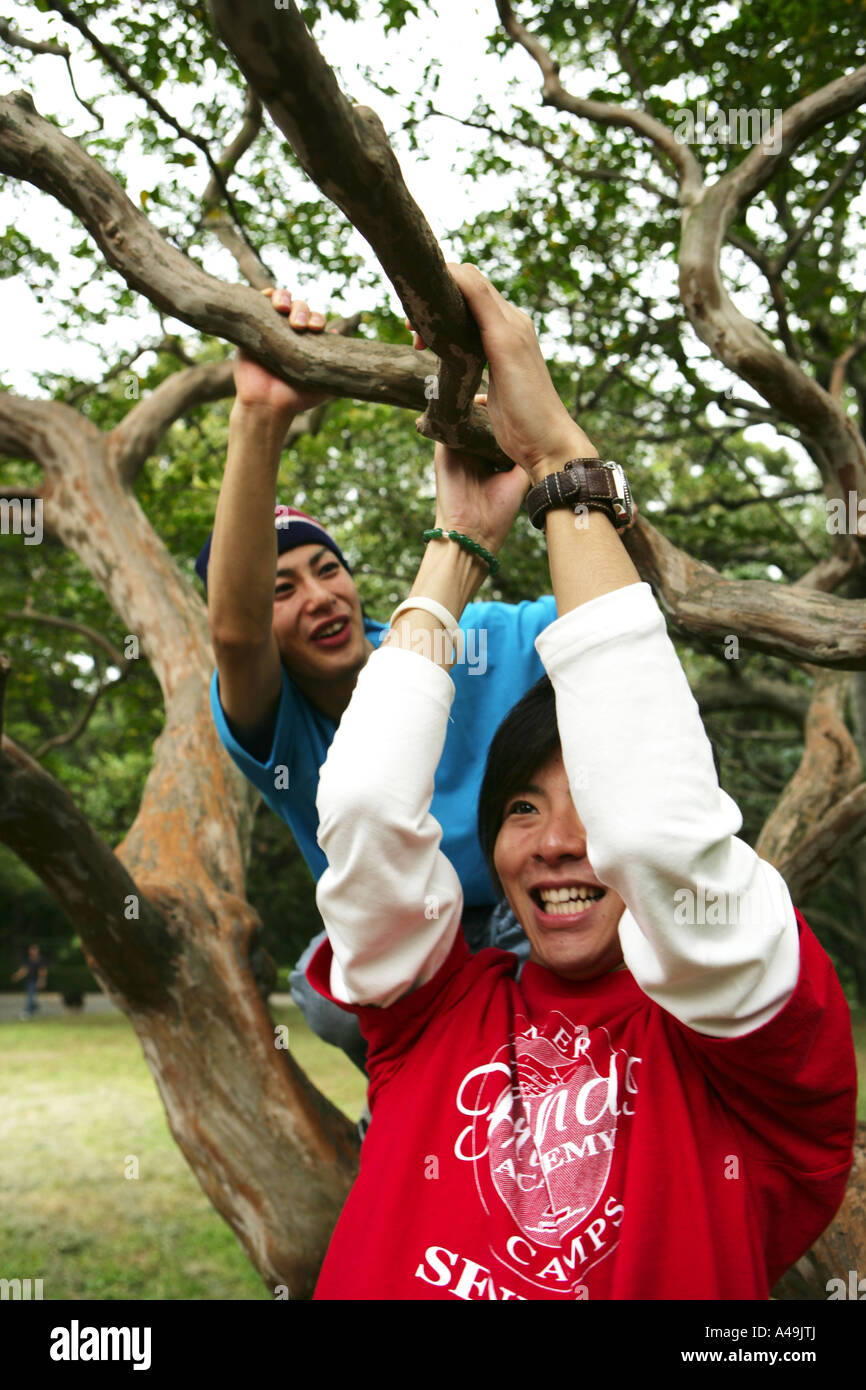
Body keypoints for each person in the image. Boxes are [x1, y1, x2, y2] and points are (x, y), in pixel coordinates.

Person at [306, 263, 857, 1300]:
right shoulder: (428, 1019)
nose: (557, 839)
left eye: (585, 803)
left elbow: (653, 834)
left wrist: (562, 458)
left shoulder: (751, 1061)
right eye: (521, 806)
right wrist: (457, 546)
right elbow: (370, 811)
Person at [200, 288, 559, 1070]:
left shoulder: (473, 639)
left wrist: (550, 446)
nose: (319, 595)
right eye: (280, 590)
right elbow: (230, 631)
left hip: (516, 913)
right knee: (318, 983)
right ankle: (414, 1107)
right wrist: (261, 414)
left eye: (327, 569)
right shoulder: (280, 723)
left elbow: (611, 615)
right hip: (404, 942)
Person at [11, 944, 46, 1021]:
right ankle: (34, 1007)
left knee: (30, 997)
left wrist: (41, 981)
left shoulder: (39, 961)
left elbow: (42, 972)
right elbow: (24, 970)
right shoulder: (28, 960)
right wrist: (17, 976)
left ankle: (27, 1013)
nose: (33, 952)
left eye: (35, 950)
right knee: (31, 996)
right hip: (29, 981)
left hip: (35, 981)